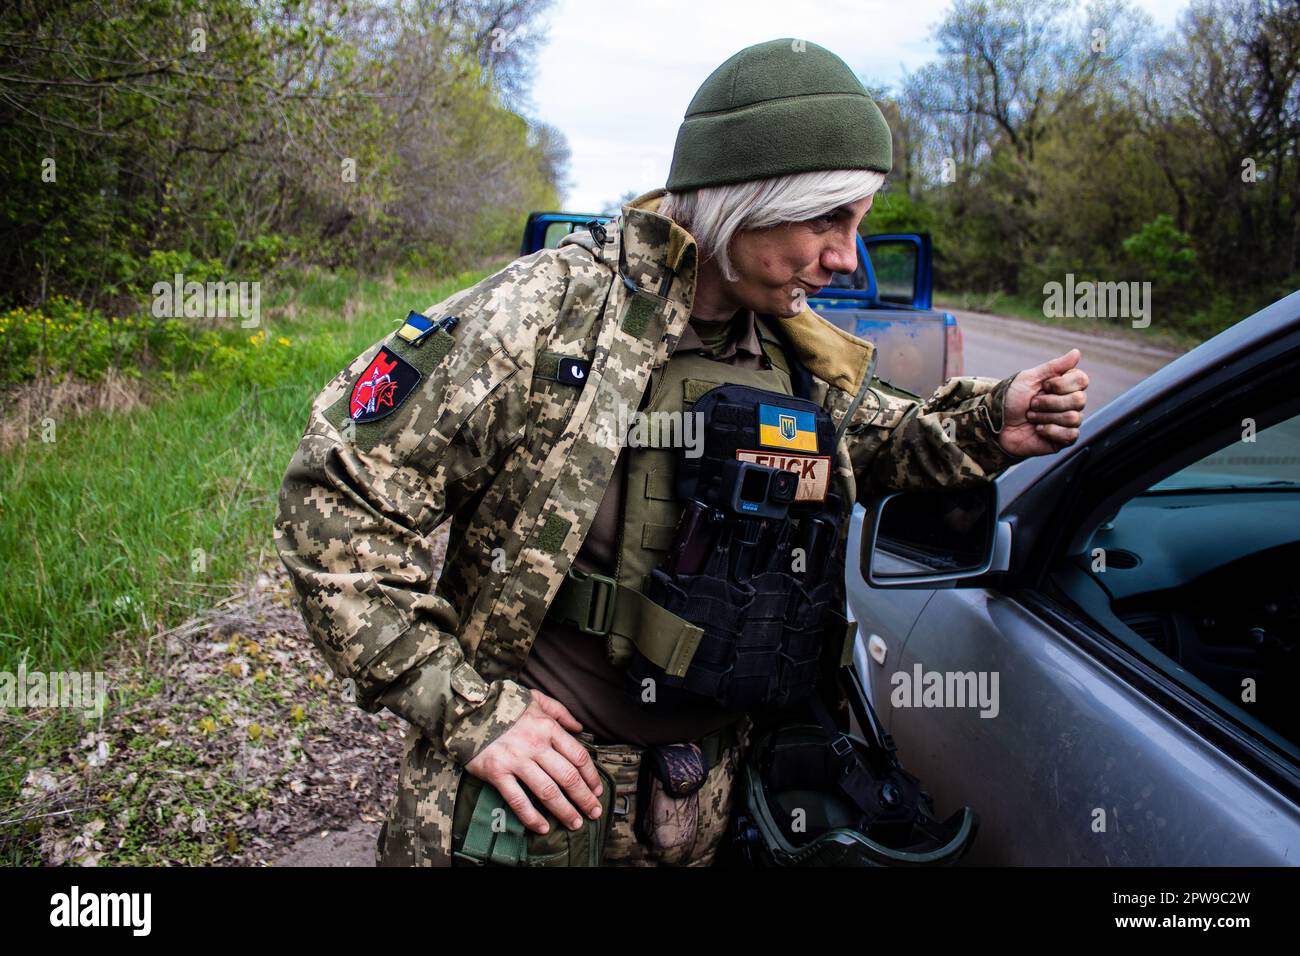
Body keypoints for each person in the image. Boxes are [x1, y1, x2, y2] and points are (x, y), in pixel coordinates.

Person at [273, 37, 1088, 867]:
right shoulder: (547, 314)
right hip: (529, 821)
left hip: (714, 810)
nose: (848, 257)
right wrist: (469, 711)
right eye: (827, 220)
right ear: (748, 197)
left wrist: (993, 423)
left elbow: (871, 444)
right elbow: (332, 497)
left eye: (858, 224)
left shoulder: (791, 349)